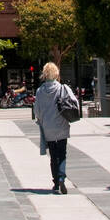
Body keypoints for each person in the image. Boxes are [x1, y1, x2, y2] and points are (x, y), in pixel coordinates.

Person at [33, 62, 75, 194]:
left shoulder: (40, 91)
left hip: (48, 127)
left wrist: (41, 121)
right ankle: (62, 177)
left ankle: (56, 182)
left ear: (45, 74)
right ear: (56, 74)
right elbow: (74, 102)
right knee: (62, 154)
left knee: (53, 155)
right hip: (61, 125)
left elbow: (37, 111)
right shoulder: (63, 88)